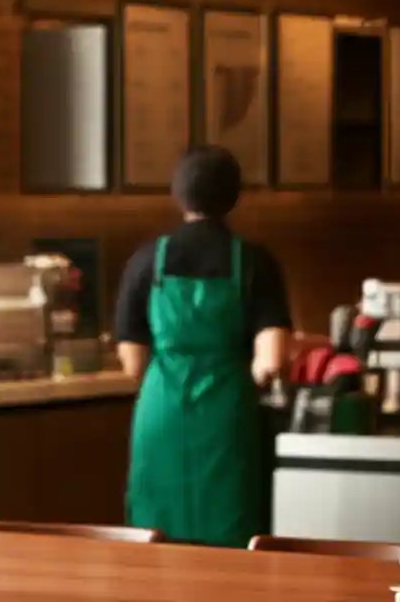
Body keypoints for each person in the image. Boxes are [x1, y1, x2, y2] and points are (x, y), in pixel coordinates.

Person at [115, 146, 291, 548]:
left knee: (154, 535)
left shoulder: (146, 261)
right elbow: (272, 360)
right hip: (228, 413)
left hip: (161, 410)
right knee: (232, 530)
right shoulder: (255, 262)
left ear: (178, 194)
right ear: (233, 196)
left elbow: (132, 362)